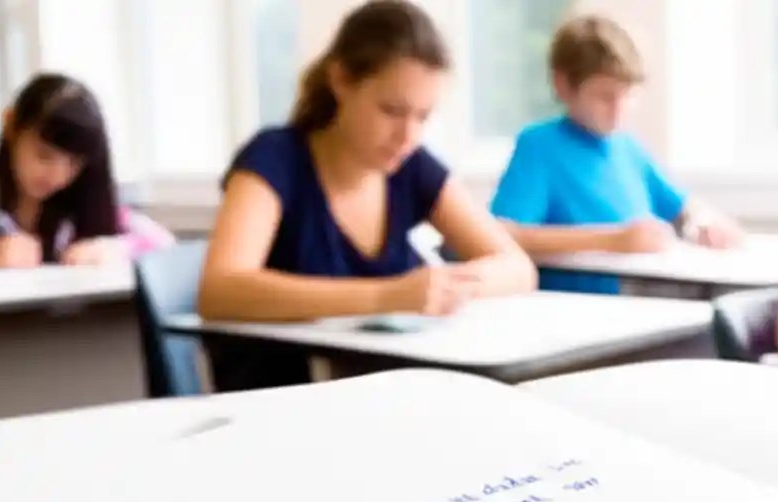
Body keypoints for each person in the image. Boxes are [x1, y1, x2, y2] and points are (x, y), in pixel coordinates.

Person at [197, 0, 536, 391]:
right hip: (278, 403)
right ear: (341, 80)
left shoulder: (410, 165)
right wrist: (385, 297)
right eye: (391, 110)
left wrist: (445, 288)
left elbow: (516, 268)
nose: (408, 136)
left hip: (377, 395)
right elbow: (220, 290)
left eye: (423, 116)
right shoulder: (274, 159)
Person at [490, 14, 742, 294]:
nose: (619, 110)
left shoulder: (628, 149)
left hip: (644, 298)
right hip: (581, 309)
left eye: (629, 96)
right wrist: (612, 240)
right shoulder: (539, 146)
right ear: (563, 86)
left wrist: (703, 222)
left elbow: (683, 206)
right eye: (605, 96)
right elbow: (500, 235)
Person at [0, 73, 174, 272]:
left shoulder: (84, 202)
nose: (57, 176)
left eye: (73, 163)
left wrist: (113, 249)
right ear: (10, 124)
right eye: (43, 155)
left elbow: (163, 244)